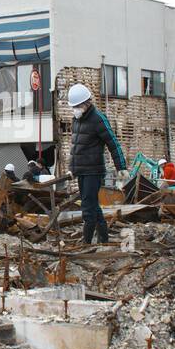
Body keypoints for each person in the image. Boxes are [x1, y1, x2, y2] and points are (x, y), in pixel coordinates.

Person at [67, 83, 126, 244]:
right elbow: (76, 147)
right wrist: (72, 169)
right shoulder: (76, 120)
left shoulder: (98, 119)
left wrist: (121, 168)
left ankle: (86, 241)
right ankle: (103, 238)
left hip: (94, 170)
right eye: (73, 107)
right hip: (81, 171)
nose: (75, 109)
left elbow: (113, 143)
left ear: (86, 103)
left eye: (78, 106)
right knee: (93, 205)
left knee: (87, 206)